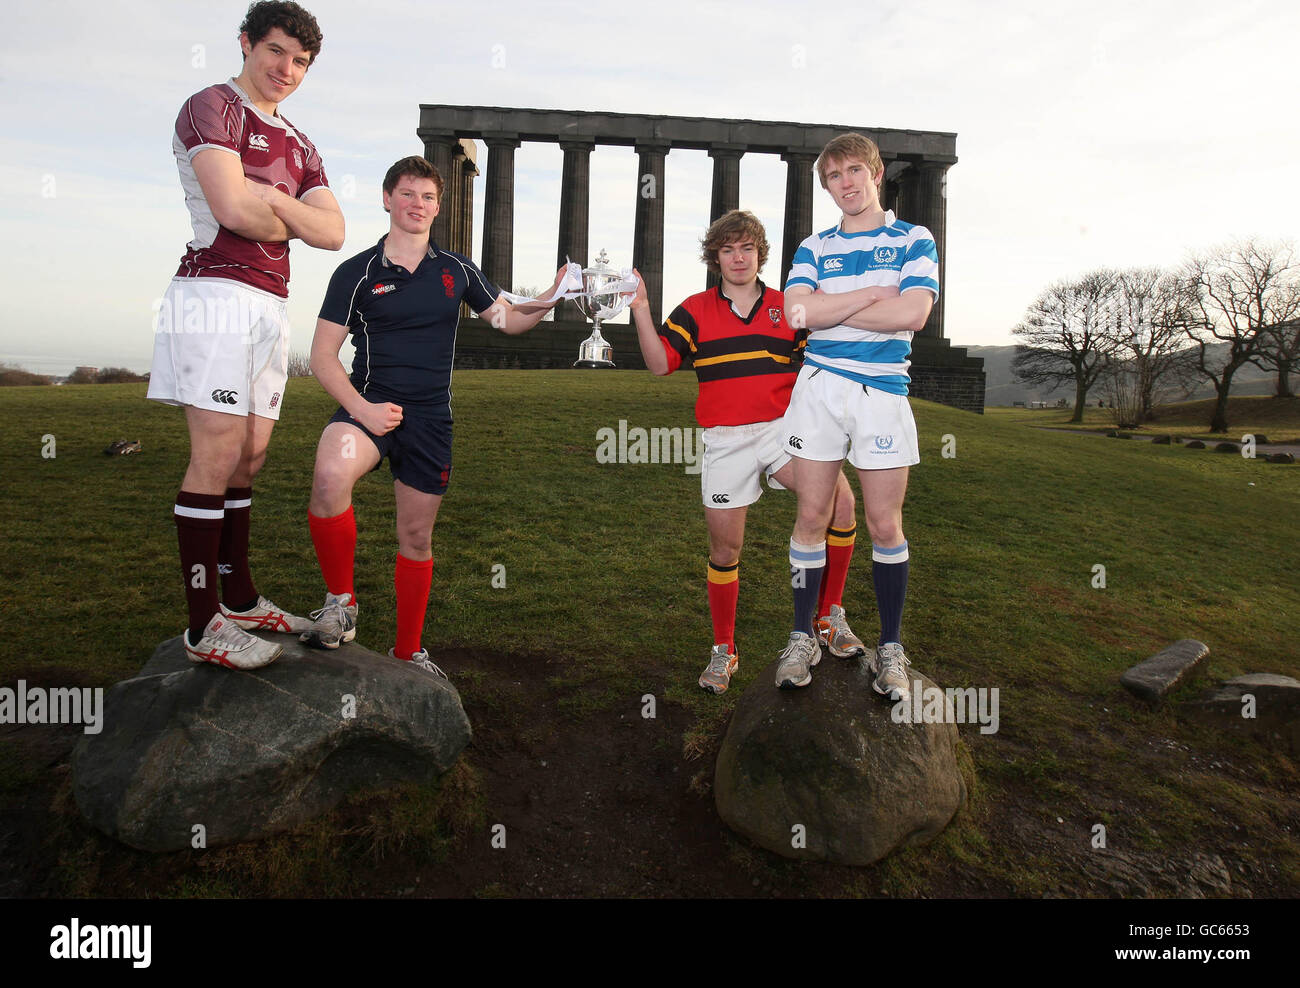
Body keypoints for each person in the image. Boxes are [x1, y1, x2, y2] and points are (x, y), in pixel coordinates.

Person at [299, 155, 565, 677]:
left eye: (426, 197)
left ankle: (407, 653)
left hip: (429, 420)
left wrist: (548, 299)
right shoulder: (356, 272)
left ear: (438, 207)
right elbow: (321, 356)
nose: (416, 205)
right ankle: (340, 602)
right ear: (386, 199)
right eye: (407, 194)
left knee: (416, 539)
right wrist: (361, 410)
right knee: (329, 477)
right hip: (368, 406)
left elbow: (506, 320)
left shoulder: (456, 269)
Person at [147, 1, 344, 670]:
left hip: (269, 302)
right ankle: (204, 627)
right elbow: (232, 210)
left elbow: (334, 232)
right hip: (214, 294)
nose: (286, 69)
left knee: (251, 455)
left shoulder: (299, 141)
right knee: (217, 451)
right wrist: (291, 214)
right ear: (247, 44)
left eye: (301, 61)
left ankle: (239, 598)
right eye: (277, 52)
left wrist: (277, 204)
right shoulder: (212, 107)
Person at [629, 209, 866, 695]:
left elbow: (818, 365)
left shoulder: (789, 306)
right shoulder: (695, 308)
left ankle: (828, 616)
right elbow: (659, 365)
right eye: (728, 249)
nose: (738, 258)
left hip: (782, 431)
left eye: (747, 248)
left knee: (841, 503)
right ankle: (724, 650)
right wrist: (639, 306)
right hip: (725, 439)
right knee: (725, 548)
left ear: (760, 254)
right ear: (715, 258)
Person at [775, 133, 939, 699]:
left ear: (876, 173)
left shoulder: (915, 238)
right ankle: (803, 635)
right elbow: (796, 313)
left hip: (883, 393)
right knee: (811, 516)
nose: (845, 184)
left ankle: (890, 646)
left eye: (853, 172)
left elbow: (914, 313)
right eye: (833, 177)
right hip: (818, 388)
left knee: (883, 525)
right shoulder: (814, 246)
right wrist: (872, 296)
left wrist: (833, 312)